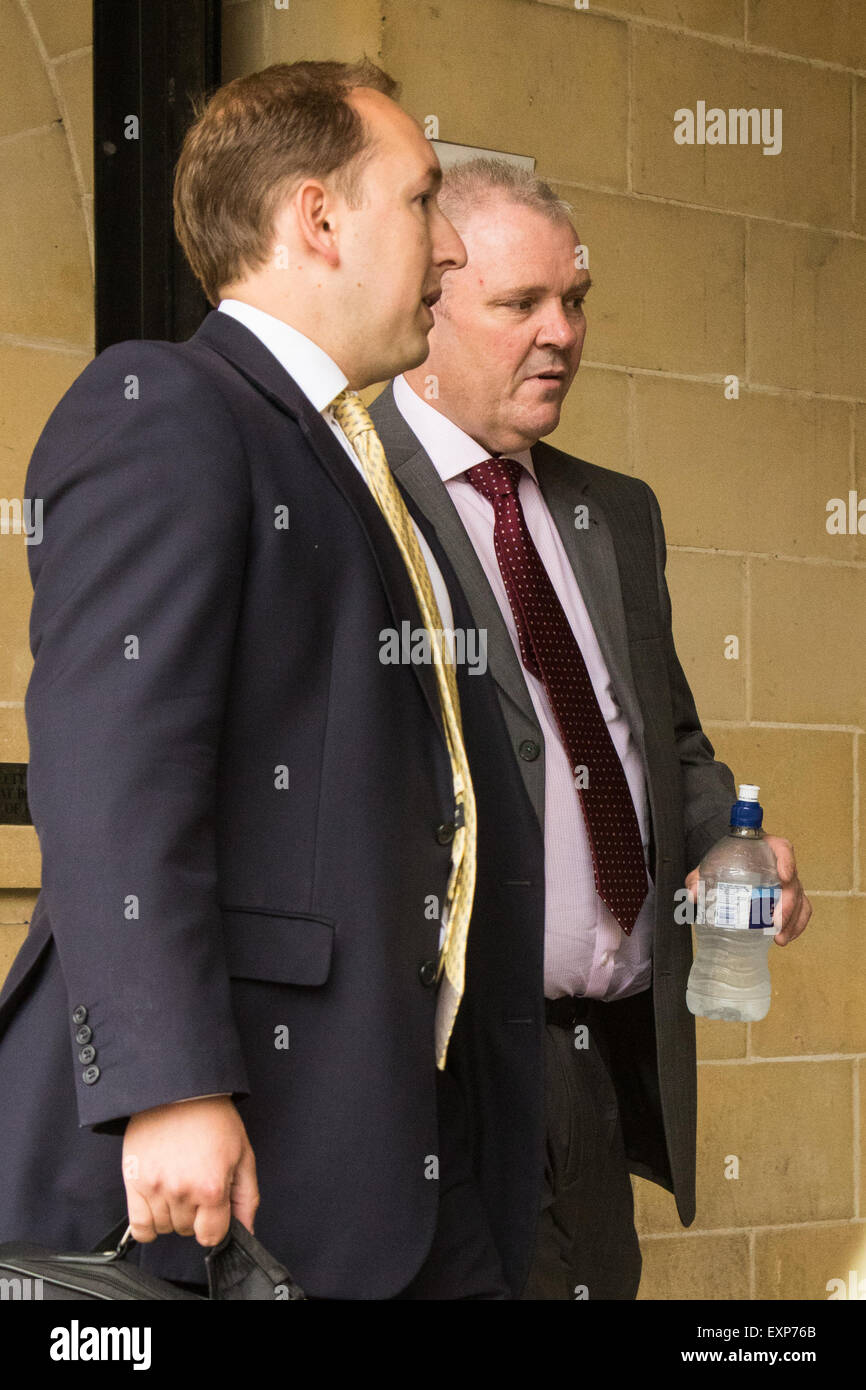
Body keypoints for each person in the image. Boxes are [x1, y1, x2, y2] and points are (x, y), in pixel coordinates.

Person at [0, 62, 542, 1300]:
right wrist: (170, 1085)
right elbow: (111, 761)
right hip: (221, 1155)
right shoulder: (168, 405)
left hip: (382, 1137)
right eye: (421, 202)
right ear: (316, 217)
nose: (448, 248)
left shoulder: (349, 454)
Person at [369, 158, 813, 1300]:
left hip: (595, 1055)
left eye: (573, 301)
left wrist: (728, 837)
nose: (560, 333)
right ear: (427, 304)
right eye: (521, 305)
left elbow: (664, 743)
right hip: (435, 1070)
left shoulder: (612, 510)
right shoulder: (349, 488)